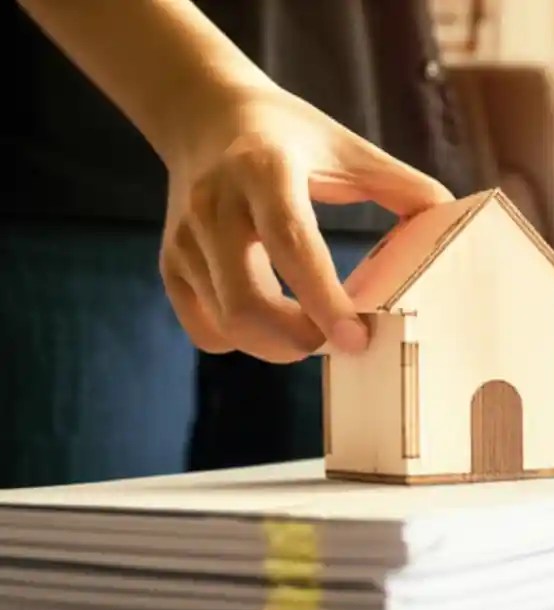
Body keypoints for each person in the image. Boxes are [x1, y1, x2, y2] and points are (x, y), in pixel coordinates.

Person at [3, 0, 479, 487]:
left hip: (363, 191)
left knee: (346, 547)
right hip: (75, 191)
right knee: (86, 542)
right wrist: (198, 95)